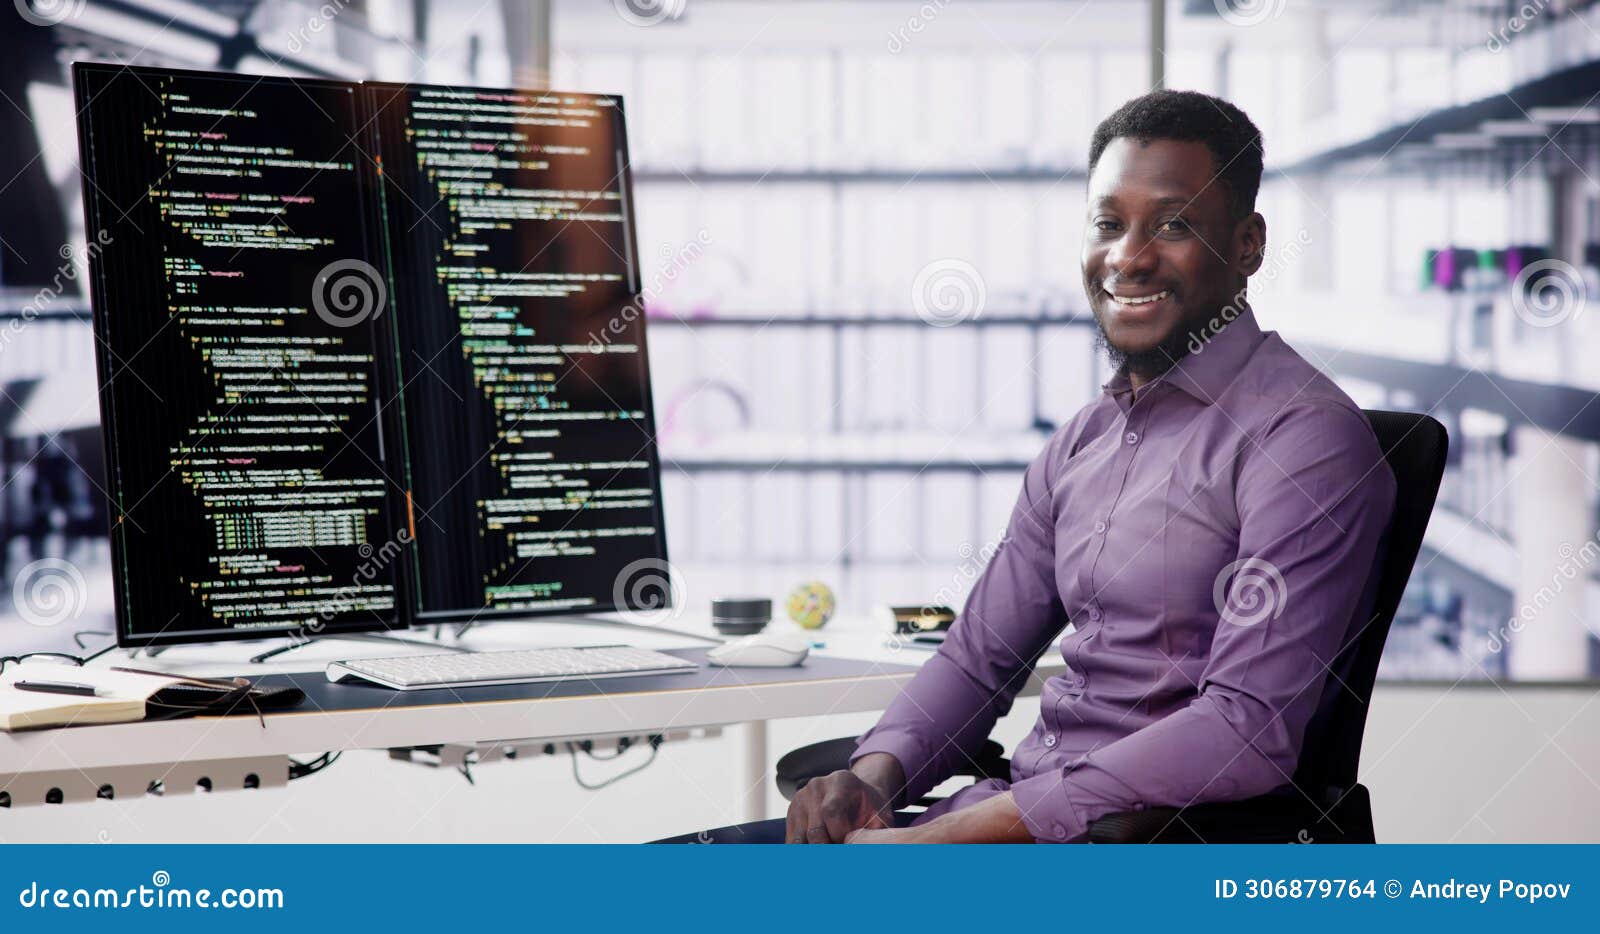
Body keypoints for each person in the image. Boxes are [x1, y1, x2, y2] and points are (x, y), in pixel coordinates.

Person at [667, 88, 1396, 845]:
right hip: (1001, 820)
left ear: (1247, 244)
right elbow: (980, 657)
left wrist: (940, 840)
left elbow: (1244, 730)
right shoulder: (1083, 441)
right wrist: (874, 776)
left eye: (1173, 225)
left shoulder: (1304, 440)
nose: (1129, 256)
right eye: (1108, 224)